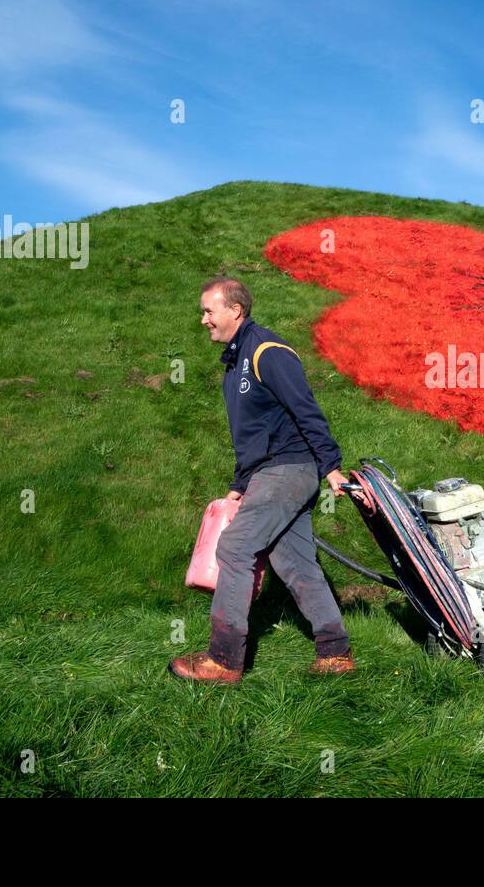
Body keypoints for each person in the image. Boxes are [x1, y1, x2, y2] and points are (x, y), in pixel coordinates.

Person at [169, 277, 354, 684]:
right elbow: (253, 435)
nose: (203, 320)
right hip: (271, 473)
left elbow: (306, 410)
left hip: (290, 469)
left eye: (208, 311)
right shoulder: (234, 365)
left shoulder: (268, 353)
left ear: (234, 310)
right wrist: (240, 483)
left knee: (235, 548)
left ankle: (224, 660)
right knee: (294, 563)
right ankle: (335, 653)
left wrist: (332, 467)